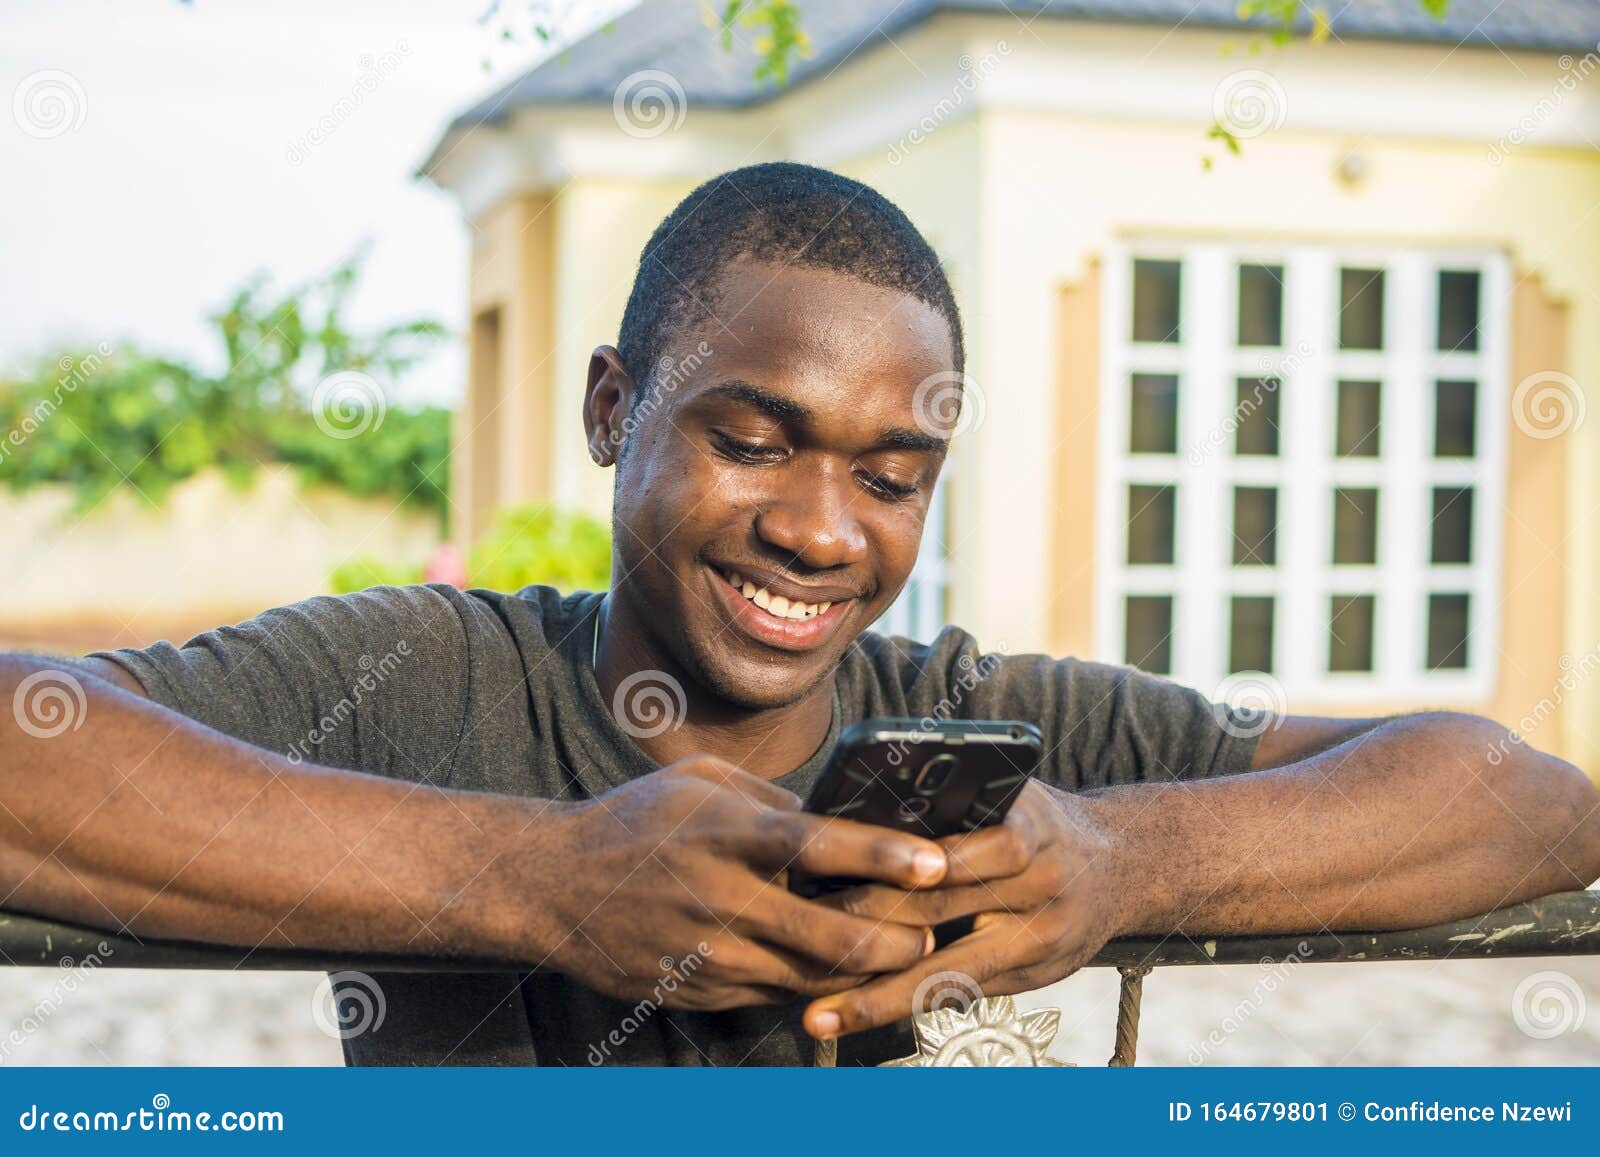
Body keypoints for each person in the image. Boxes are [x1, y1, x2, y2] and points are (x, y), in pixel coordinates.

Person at [3, 163, 1596, 1067]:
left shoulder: (990, 725)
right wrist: (534, 875)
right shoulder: (428, 679)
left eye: (895, 477)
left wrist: (1127, 861)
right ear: (614, 407)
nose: (822, 528)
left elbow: (1525, 798)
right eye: (750, 440)